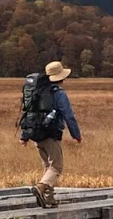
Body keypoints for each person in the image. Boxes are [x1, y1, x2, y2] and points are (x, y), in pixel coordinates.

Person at [21, 60, 81, 208]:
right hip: (50, 134)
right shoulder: (58, 94)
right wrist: (76, 134)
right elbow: (68, 115)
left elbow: (29, 113)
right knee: (57, 167)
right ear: (61, 77)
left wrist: (24, 136)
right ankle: (40, 188)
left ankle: (49, 199)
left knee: (48, 166)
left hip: (36, 134)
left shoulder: (38, 92)